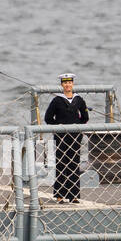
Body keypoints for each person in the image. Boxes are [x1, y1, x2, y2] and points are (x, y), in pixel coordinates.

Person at [43, 73, 89, 203]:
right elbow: (48, 118)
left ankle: (73, 196)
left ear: (72, 84)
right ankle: (60, 195)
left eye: (69, 82)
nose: (67, 85)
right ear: (62, 85)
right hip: (61, 137)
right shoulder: (57, 100)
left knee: (74, 164)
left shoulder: (79, 100)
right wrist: (58, 127)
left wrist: (77, 127)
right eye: (65, 83)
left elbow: (85, 118)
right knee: (61, 164)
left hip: (75, 136)